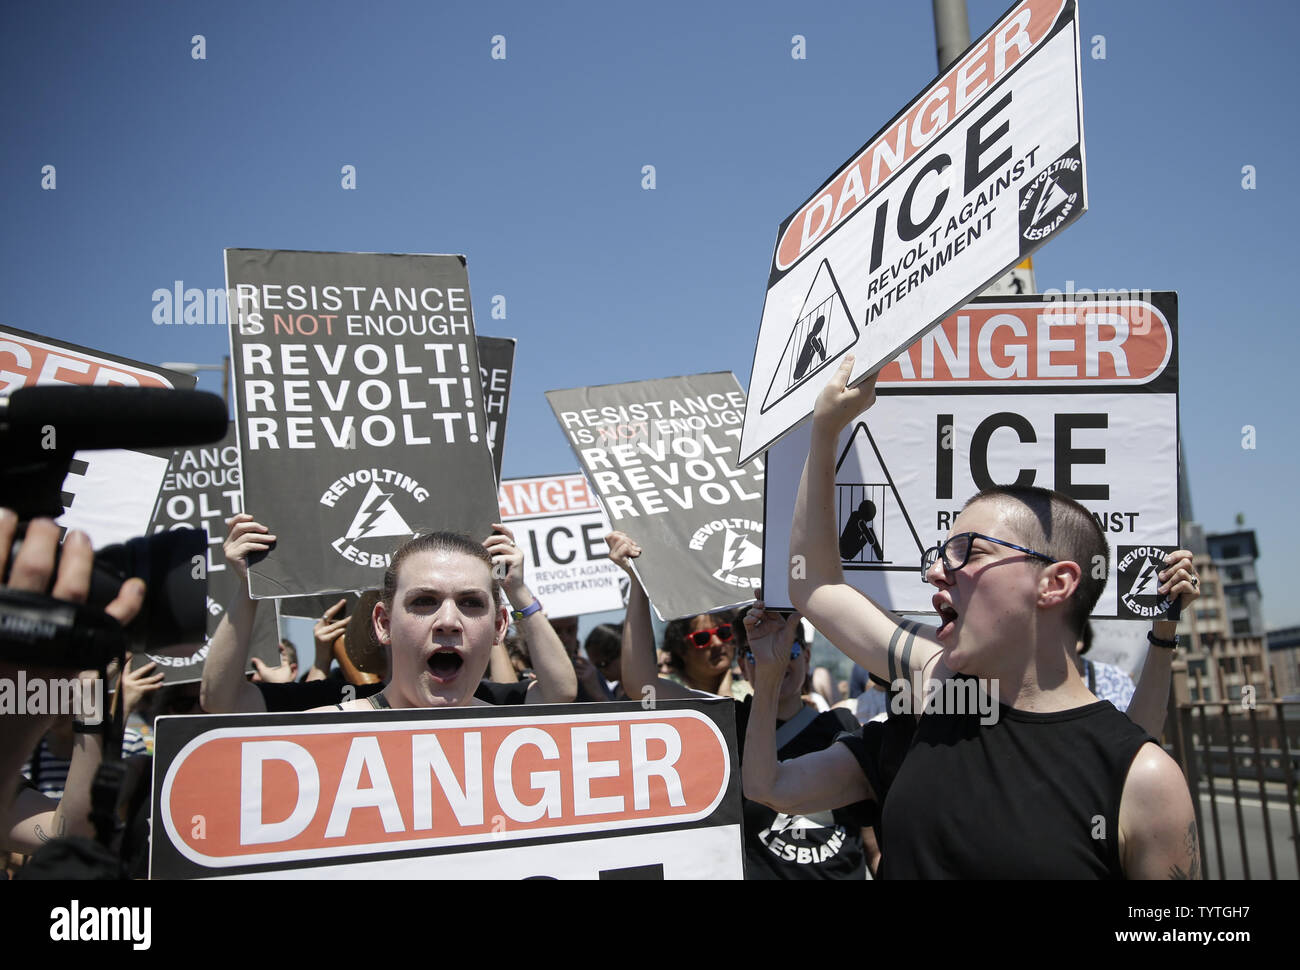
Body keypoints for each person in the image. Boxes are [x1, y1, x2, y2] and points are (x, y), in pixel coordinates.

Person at [775, 356, 1200, 879]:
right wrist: (825, 431)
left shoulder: (1145, 778)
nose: (936, 572)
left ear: (1056, 583)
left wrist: (1162, 637)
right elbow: (815, 586)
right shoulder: (935, 681)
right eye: (941, 551)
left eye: (968, 552)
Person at [327, 525, 576, 711]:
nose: (448, 621)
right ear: (384, 623)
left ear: (499, 626)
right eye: (424, 601)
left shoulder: (512, 735)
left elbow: (560, 693)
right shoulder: (318, 738)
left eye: (471, 603)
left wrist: (518, 591)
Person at [606, 531, 749, 702]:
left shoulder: (752, 688)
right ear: (680, 649)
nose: (717, 643)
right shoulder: (671, 695)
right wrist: (637, 578)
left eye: (724, 633)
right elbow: (643, 689)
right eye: (702, 638)